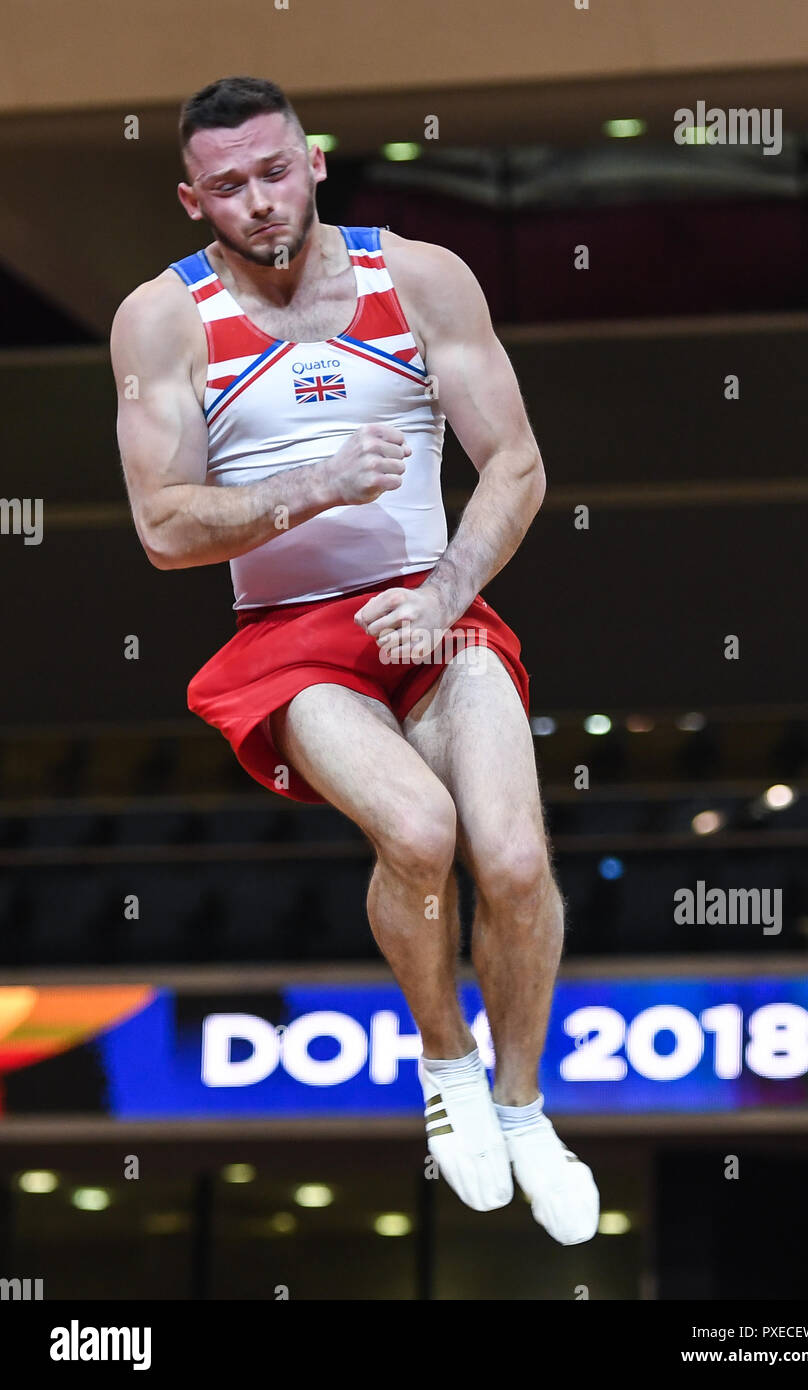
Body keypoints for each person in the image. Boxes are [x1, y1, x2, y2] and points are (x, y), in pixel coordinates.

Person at [110, 75, 598, 1245]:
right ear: (193, 200)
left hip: (434, 611)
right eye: (228, 186)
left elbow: (516, 466)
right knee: (420, 833)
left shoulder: (420, 280)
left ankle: (523, 1107)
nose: (259, 200)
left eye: (275, 170)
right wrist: (308, 485)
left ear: (313, 161)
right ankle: (446, 1068)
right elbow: (166, 528)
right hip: (288, 642)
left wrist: (442, 590)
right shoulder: (162, 320)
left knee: (517, 856)